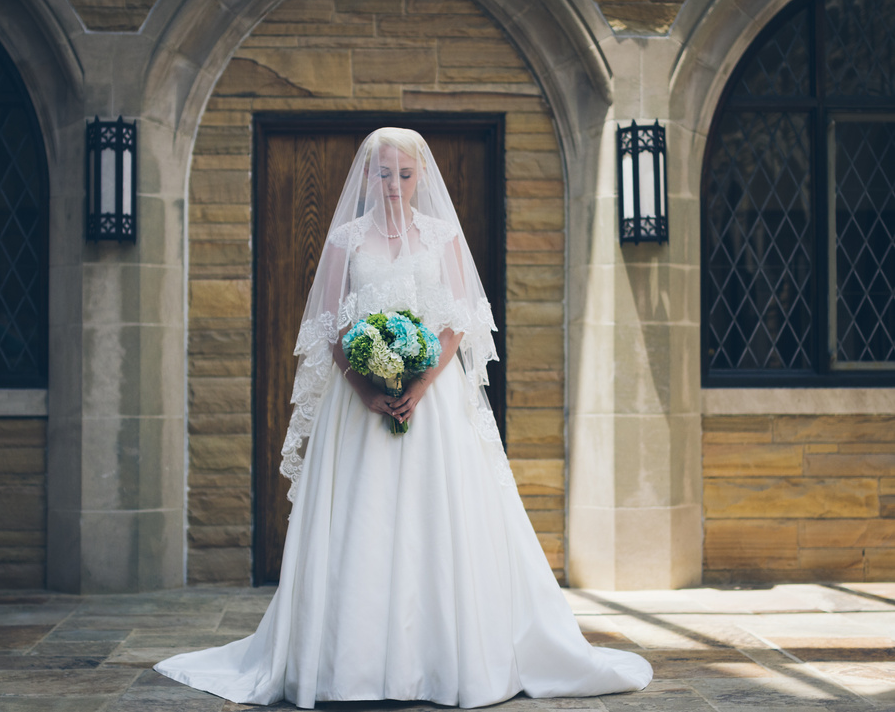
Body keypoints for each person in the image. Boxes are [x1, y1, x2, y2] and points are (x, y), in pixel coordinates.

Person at [155, 128, 653, 708]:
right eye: (384, 173)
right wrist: (365, 387)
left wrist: (417, 384)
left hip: (434, 401)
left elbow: (458, 322)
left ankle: (440, 662)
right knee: (361, 519)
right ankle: (351, 667)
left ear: (421, 176)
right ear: (368, 176)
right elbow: (330, 328)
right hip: (359, 405)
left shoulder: (442, 236)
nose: (394, 185)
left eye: (405, 174)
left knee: (436, 516)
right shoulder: (345, 240)